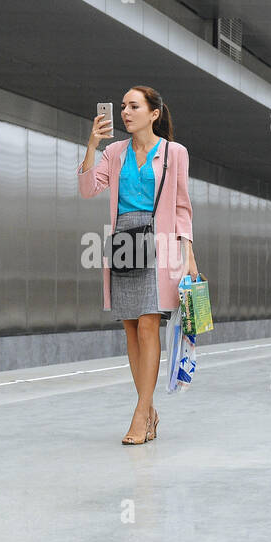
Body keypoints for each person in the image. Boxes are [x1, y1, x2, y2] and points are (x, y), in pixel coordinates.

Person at [79, 85, 196, 445]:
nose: (126, 112)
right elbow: (87, 189)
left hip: (160, 241)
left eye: (134, 106)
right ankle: (149, 410)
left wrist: (188, 255)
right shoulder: (114, 152)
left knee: (149, 325)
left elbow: (181, 207)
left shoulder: (174, 152)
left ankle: (141, 413)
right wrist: (91, 146)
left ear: (154, 113)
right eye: (123, 107)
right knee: (131, 328)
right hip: (124, 241)